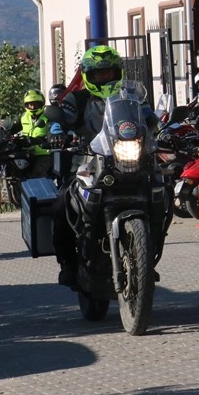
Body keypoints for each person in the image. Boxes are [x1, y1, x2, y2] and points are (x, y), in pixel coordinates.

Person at [46, 44, 157, 289]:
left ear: (117, 73)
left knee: (162, 190)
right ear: (89, 75)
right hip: (88, 162)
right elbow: (61, 120)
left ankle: (150, 253)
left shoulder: (131, 96)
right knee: (61, 204)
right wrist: (57, 133)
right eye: (99, 74)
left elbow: (149, 117)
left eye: (109, 73)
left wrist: (159, 129)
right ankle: (67, 264)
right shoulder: (78, 98)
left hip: (127, 159)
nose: (105, 78)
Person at [13, 89, 53, 177]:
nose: (32, 107)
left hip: (44, 154)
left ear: (41, 103)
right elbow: (13, 128)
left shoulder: (48, 116)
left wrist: (40, 140)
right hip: (26, 153)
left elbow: (52, 134)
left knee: (36, 174)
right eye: (30, 104)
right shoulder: (24, 116)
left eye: (36, 104)